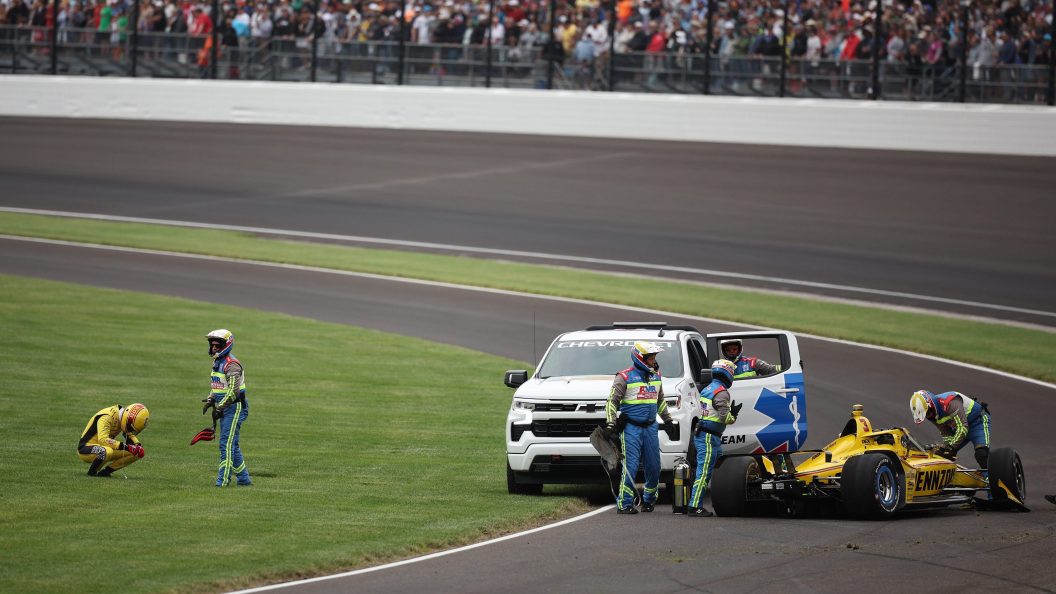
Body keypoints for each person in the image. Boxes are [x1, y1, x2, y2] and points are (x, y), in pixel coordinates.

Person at [605, 341, 674, 514]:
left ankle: (649, 500)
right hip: (631, 428)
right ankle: (625, 503)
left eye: (654, 357)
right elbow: (611, 402)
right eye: (650, 357)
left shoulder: (656, 375)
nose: (653, 360)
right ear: (640, 358)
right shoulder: (624, 376)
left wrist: (669, 421)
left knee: (654, 467)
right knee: (631, 466)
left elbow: (660, 401)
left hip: (651, 427)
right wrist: (611, 423)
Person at [687, 359, 740, 517]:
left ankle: (719, 498)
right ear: (728, 373)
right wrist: (734, 416)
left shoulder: (708, 388)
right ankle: (694, 506)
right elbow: (724, 418)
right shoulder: (722, 392)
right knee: (704, 472)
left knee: (720, 466)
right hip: (709, 437)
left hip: (707, 436)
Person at [203, 329, 252, 487]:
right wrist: (211, 399)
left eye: (218, 344)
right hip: (227, 407)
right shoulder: (218, 362)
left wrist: (220, 408)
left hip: (234, 407)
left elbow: (233, 391)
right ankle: (244, 479)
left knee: (226, 444)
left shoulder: (231, 365)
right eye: (212, 344)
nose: (214, 347)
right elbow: (218, 385)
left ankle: (222, 481)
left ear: (226, 345)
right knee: (232, 444)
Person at [910, 390, 991, 469]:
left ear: (931, 405)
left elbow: (963, 427)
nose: (928, 416)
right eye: (925, 415)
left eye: (927, 412)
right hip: (960, 428)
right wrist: (946, 449)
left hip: (978, 422)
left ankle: (992, 479)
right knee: (942, 455)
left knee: (982, 454)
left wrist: (951, 447)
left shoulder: (950, 402)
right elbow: (946, 433)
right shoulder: (931, 415)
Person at [78, 403, 150, 477]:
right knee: (106, 451)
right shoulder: (107, 417)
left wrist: (137, 444)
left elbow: (128, 433)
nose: (130, 431)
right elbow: (103, 440)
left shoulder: (122, 417)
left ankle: (105, 472)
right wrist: (126, 447)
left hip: (105, 447)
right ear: (127, 419)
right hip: (85, 448)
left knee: (136, 453)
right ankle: (92, 473)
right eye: (131, 428)